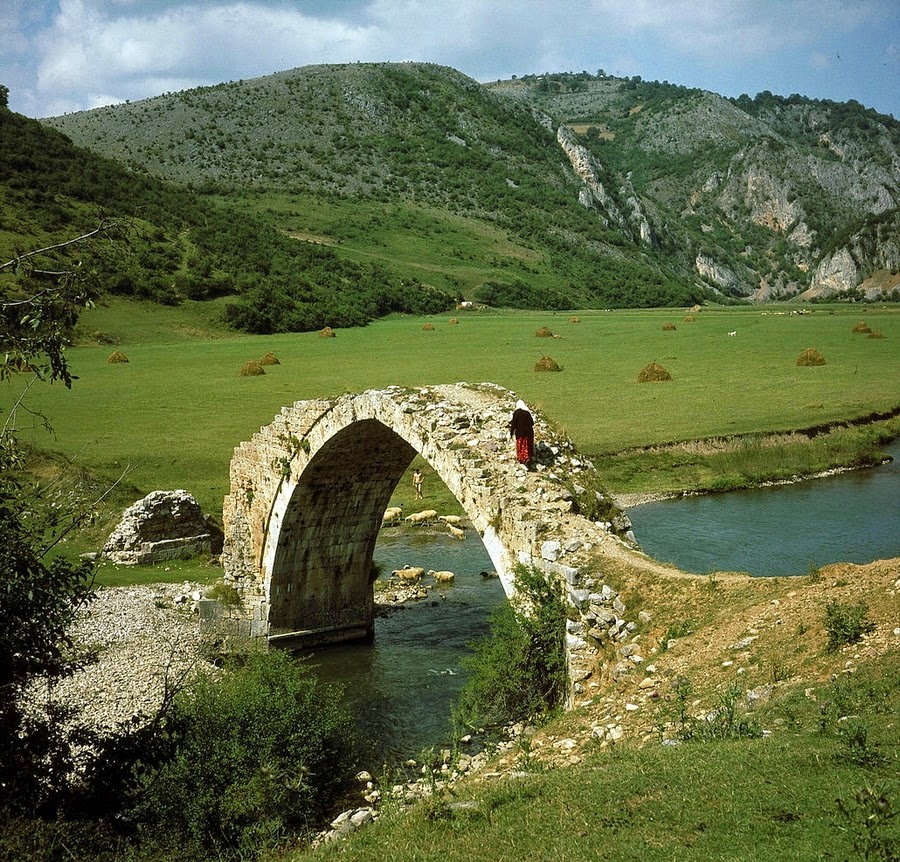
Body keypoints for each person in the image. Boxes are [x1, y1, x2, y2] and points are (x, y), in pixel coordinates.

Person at [509, 399, 534, 466]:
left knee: (521, 446)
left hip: (520, 433)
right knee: (527, 445)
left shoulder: (516, 413)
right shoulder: (527, 413)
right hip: (529, 433)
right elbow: (532, 423)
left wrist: (511, 432)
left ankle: (522, 459)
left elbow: (513, 424)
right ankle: (528, 457)